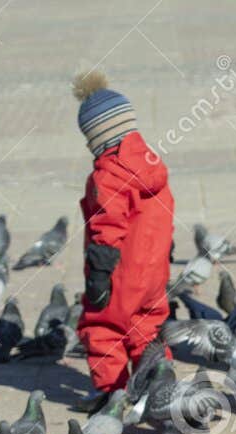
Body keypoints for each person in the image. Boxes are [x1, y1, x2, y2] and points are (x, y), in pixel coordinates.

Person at [72, 71, 175, 397]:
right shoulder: (150, 164)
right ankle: (159, 386)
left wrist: (99, 274)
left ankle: (112, 394)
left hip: (120, 271)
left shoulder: (110, 174)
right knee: (148, 324)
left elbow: (107, 226)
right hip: (153, 269)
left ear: (96, 137)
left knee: (103, 326)